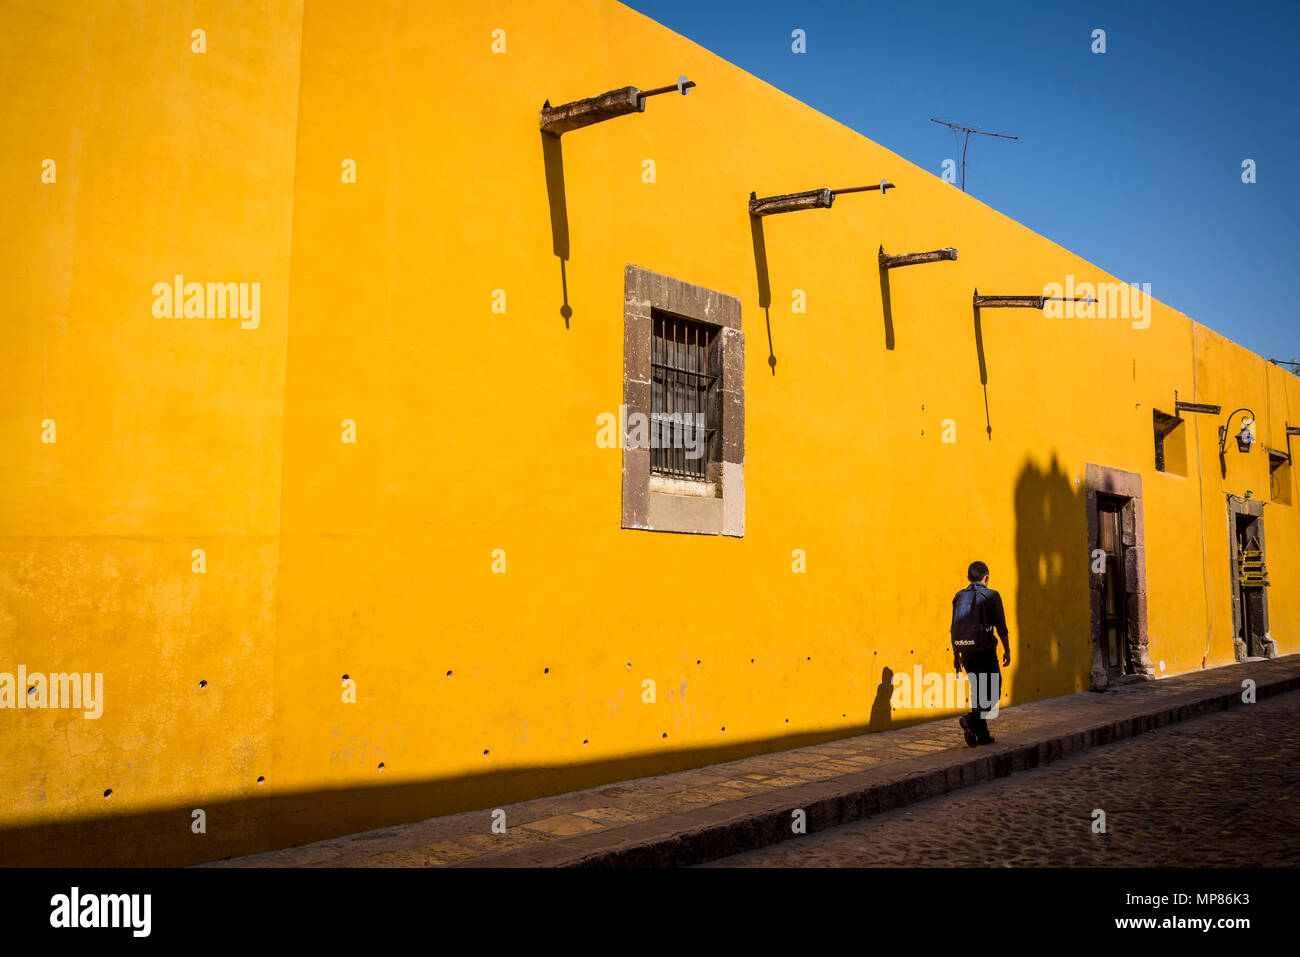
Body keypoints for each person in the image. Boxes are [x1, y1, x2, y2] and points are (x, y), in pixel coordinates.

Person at [950, 561, 1010, 746]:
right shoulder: (992, 595)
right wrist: (1007, 649)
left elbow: (953, 628)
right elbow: (1001, 626)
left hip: (966, 651)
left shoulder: (959, 596)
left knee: (978, 691)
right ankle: (972, 719)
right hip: (985, 650)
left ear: (969, 578)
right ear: (986, 578)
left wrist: (956, 654)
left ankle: (982, 735)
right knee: (992, 693)